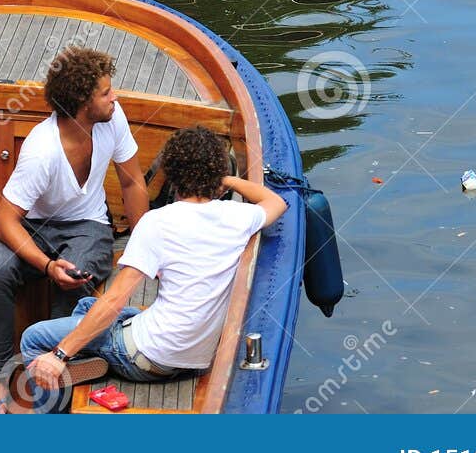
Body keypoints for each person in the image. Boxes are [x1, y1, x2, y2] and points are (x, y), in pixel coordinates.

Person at [21, 126, 285, 410]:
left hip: (146, 357)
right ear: (216, 174)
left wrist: (59, 355)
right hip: (196, 357)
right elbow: (276, 202)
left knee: (33, 338)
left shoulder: (157, 222)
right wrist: (228, 179)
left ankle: (57, 395)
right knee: (87, 305)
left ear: (172, 174)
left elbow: (114, 299)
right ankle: (87, 357)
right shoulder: (239, 216)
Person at [0, 46, 149, 412]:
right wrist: (45, 264)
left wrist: (145, 246)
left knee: (76, 272)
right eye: (105, 92)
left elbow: (133, 183)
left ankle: (58, 369)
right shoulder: (42, 151)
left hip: (88, 224)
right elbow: (4, 220)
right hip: (33, 226)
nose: (114, 96)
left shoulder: (113, 119)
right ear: (83, 104)